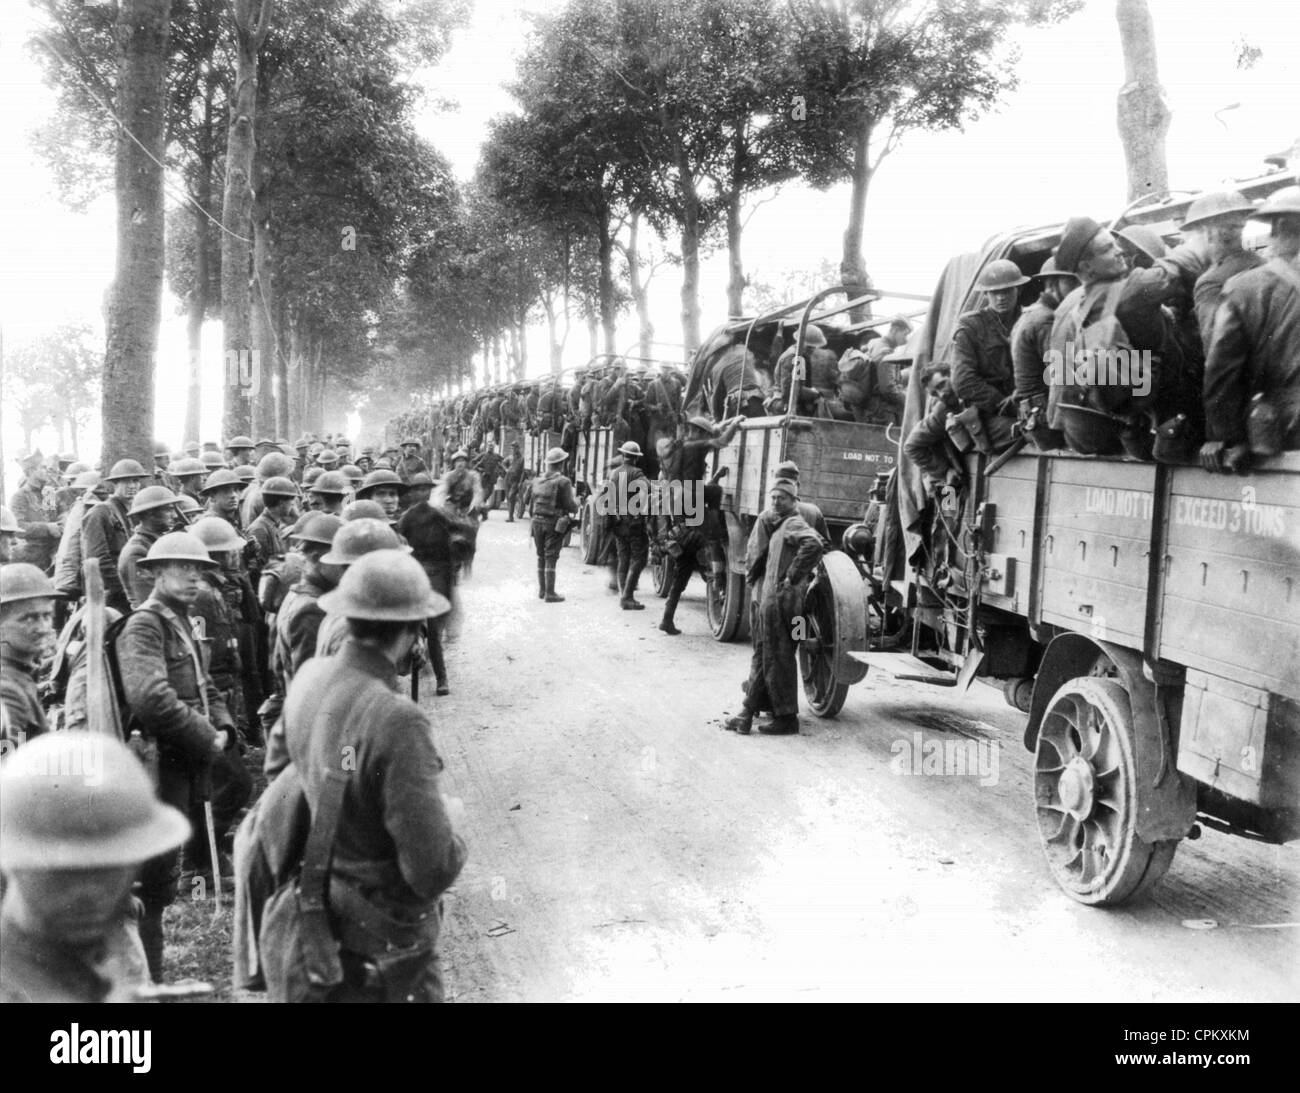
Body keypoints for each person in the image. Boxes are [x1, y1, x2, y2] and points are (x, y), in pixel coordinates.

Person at [252, 551, 465, 1003]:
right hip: (384, 948)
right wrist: (453, 825)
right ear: (413, 630)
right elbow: (430, 869)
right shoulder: (398, 719)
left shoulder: (310, 677)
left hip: (320, 917)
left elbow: (279, 771)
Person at [114, 532, 237, 981]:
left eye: (199, 569)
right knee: (151, 880)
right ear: (154, 572)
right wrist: (205, 735)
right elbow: (149, 697)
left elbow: (204, 684)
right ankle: (148, 981)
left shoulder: (181, 619)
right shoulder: (145, 624)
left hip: (181, 761)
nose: (193, 577)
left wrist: (222, 723)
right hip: (157, 764)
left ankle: (153, 977)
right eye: (181, 568)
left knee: (163, 880)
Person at [0, 732, 191, 1002]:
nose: (89, 893)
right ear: (12, 862)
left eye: (110, 871)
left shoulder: (115, 938)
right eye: (63, 873)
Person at [1048, 215, 1206, 456]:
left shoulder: (1086, 299)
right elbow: (1173, 270)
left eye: (1114, 244)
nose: (1119, 251)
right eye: (1107, 249)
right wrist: (1201, 237)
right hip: (1170, 415)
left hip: (1138, 418)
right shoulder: (1128, 289)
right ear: (1086, 267)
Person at [1201, 185, 1300, 468]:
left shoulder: (1243, 288)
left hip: (1283, 431)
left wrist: (1229, 438)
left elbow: (1221, 373)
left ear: (1278, 227)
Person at [722, 479, 826, 736]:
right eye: (774, 498)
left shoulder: (792, 522)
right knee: (765, 654)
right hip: (773, 601)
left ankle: (787, 718)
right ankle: (745, 715)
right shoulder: (779, 523)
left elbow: (815, 544)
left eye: (782, 498)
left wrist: (792, 577)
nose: (777, 502)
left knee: (776, 657)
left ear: (794, 501)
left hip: (782, 603)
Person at [398, 472, 476, 696]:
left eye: (426, 489)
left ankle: (442, 679)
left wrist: (452, 571)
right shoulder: (408, 518)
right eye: (418, 489)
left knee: (434, 631)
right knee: (410, 626)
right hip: (415, 575)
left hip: (438, 575)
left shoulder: (440, 516)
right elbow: (398, 545)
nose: (422, 493)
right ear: (412, 493)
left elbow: (456, 543)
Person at [951, 258, 1028, 452]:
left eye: (1007, 291)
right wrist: (1004, 404)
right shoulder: (971, 326)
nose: (1001, 297)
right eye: (995, 292)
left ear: (1018, 290)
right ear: (986, 293)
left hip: (1025, 406)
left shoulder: (1029, 321)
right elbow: (964, 381)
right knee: (1032, 433)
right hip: (988, 414)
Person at [1180, 190, 1264, 351]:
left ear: (1211, 233)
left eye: (1195, 233)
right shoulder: (1265, 264)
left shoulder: (1212, 281)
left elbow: (1216, 348)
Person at [1012, 257, 1078, 449]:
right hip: (1045, 419)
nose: (1078, 288)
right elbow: (1063, 376)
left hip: (1034, 416)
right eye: (1072, 282)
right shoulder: (1047, 320)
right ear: (1052, 284)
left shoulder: (1031, 313)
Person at [81, 459, 151, 616]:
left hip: (131, 588)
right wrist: (124, 588)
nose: (132, 486)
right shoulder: (100, 512)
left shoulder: (134, 512)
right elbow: (96, 559)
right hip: (110, 593)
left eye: (135, 481)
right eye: (125, 481)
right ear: (115, 484)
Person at [1, 564, 58, 744]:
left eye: (47, 616)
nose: (42, 628)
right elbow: (5, 759)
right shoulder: (7, 690)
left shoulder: (19, 675)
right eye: (29, 618)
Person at [904, 363, 967, 496]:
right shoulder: (942, 412)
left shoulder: (975, 387)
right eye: (934, 393)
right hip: (956, 481)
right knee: (949, 510)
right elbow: (911, 446)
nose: (941, 394)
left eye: (941, 385)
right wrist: (945, 471)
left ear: (952, 374)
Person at [603, 440, 652, 610]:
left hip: (618, 522)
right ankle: (627, 597)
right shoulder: (637, 473)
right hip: (633, 523)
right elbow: (647, 488)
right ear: (636, 458)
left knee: (623, 558)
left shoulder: (614, 473)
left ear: (623, 456)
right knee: (639, 559)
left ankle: (625, 595)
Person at [117, 485, 181, 611]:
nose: (175, 515)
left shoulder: (154, 544)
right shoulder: (136, 552)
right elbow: (148, 601)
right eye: (168, 510)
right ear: (150, 514)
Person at [528, 447, 578, 603]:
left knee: (540, 555)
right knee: (551, 556)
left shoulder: (536, 480)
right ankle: (550, 593)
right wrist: (577, 504)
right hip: (552, 523)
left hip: (536, 522)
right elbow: (570, 506)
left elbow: (527, 503)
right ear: (561, 464)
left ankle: (542, 590)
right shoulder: (563, 481)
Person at [8, 453, 62, 572]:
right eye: (42, 467)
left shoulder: (48, 494)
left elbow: (54, 519)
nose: (46, 470)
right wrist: (46, 528)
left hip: (53, 550)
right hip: (32, 554)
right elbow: (18, 528)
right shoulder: (20, 497)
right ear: (31, 471)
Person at [472, 441, 504, 519]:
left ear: (493, 448)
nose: (490, 448)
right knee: (483, 493)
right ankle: (479, 509)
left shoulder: (496, 456)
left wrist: (499, 469)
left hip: (492, 478)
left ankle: (480, 506)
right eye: (489, 446)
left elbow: (503, 462)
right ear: (487, 447)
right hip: (484, 477)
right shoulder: (483, 455)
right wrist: (480, 469)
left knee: (489, 493)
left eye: (492, 446)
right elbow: (474, 462)